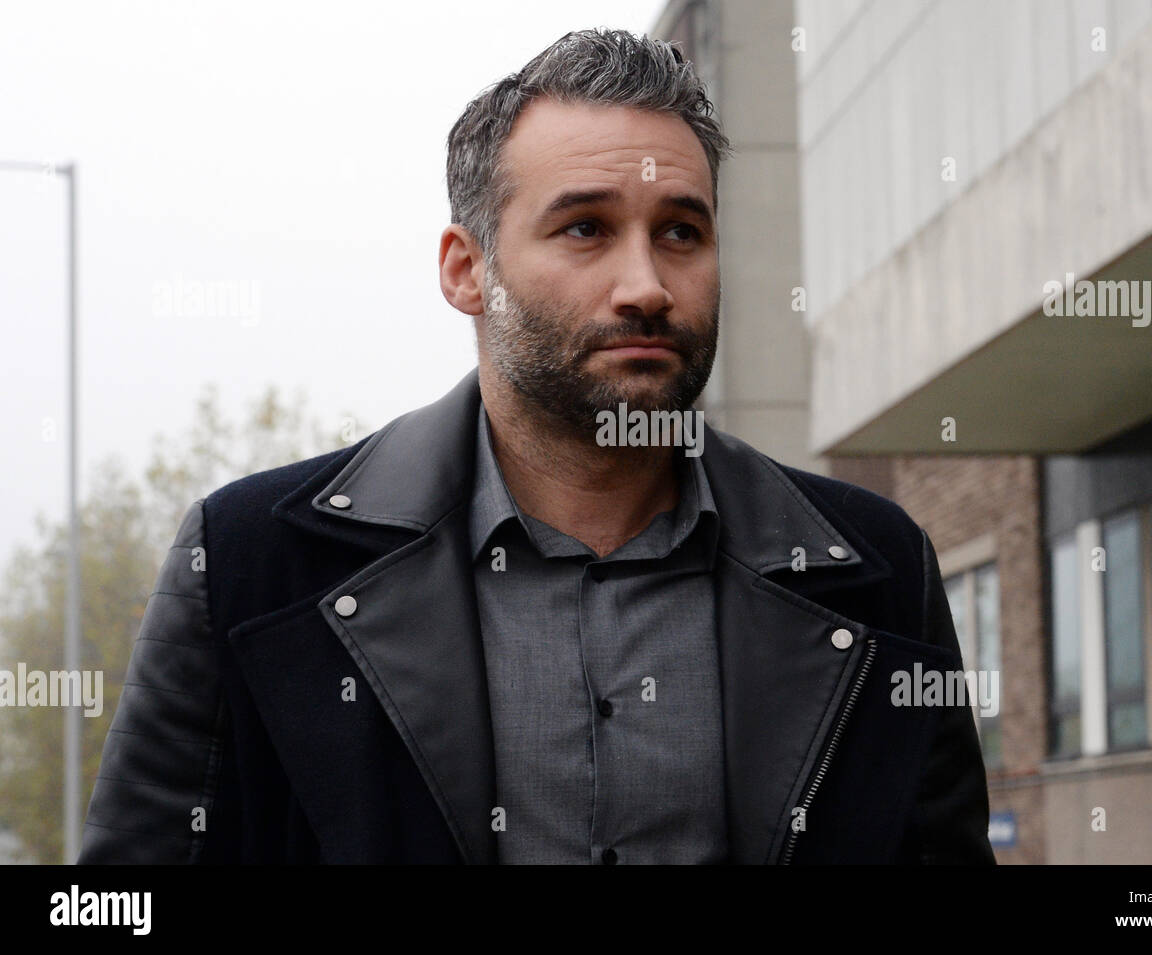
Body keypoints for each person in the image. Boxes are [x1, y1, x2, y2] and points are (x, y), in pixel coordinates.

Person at [79, 28, 994, 865]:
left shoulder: (874, 572)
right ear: (466, 270)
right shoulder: (253, 565)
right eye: (585, 228)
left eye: (681, 230)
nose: (646, 286)